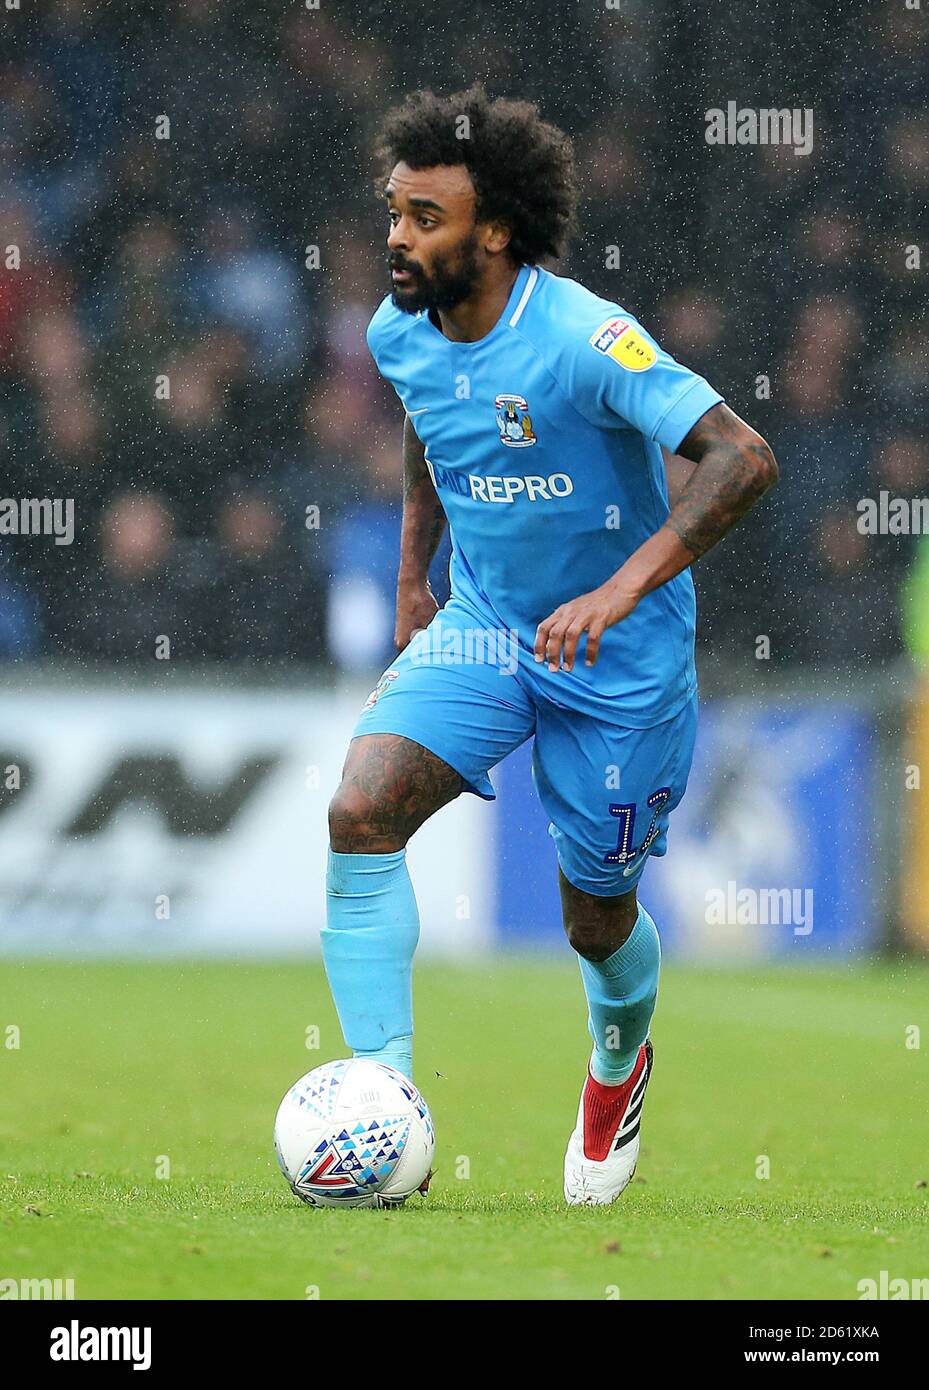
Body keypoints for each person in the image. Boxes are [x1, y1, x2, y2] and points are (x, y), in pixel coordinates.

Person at [323, 86, 778, 1205]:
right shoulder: (399, 333)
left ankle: (617, 1064)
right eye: (393, 212)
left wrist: (620, 590)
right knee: (359, 808)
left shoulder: (584, 338)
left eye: (424, 217)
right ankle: (384, 1105)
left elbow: (742, 457)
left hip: (617, 663)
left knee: (594, 918)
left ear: (494, 230)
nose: (396, 237)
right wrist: (410, 579)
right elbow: (428, 431)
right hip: (484, 627)